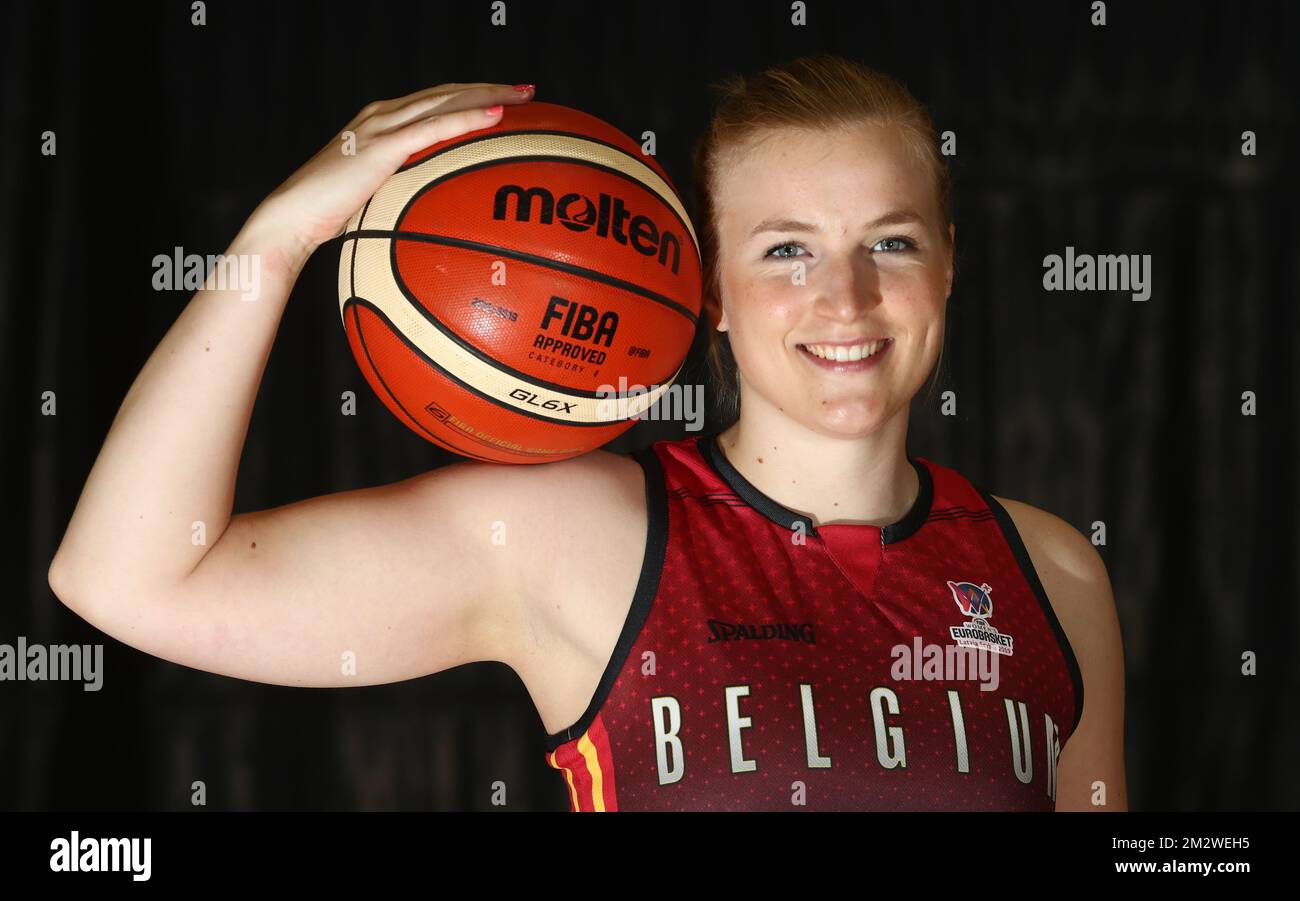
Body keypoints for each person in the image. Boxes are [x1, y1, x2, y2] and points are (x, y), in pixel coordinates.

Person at [48, 55, 1126, 812]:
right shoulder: (581, 535)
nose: (843, 298)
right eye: (786, 251)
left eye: (887, 242)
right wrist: (278, 238)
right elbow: (131, 577)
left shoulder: (1051, 572)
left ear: (948, 260)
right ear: (708, 288)